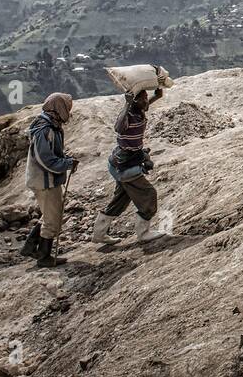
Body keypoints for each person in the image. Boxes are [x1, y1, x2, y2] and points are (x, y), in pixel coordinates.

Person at [91, 85, 165, 244]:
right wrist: (126, 104)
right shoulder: (127, 115)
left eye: (146, 98)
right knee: (149, 194)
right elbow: (118, 126)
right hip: (126, 166)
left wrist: (156, 96)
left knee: (121, 198)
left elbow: (143, 105)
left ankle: (99, 233)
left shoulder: (138, 110)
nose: (146, 101)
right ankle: (143, 232)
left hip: (119, 163)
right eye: (143, 98)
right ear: (134, 102)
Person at [21, 92, 77, 268]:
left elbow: (52, 154)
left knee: (50, 215)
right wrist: (66, 163)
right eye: (66, 108)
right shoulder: (45, 129)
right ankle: (44, 257)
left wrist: (65, 159)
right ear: (59, 108)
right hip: (45, 181)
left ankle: (30, 246)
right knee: (53, 219)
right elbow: (45, 159)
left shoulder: (50, 125)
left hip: (47, 179)